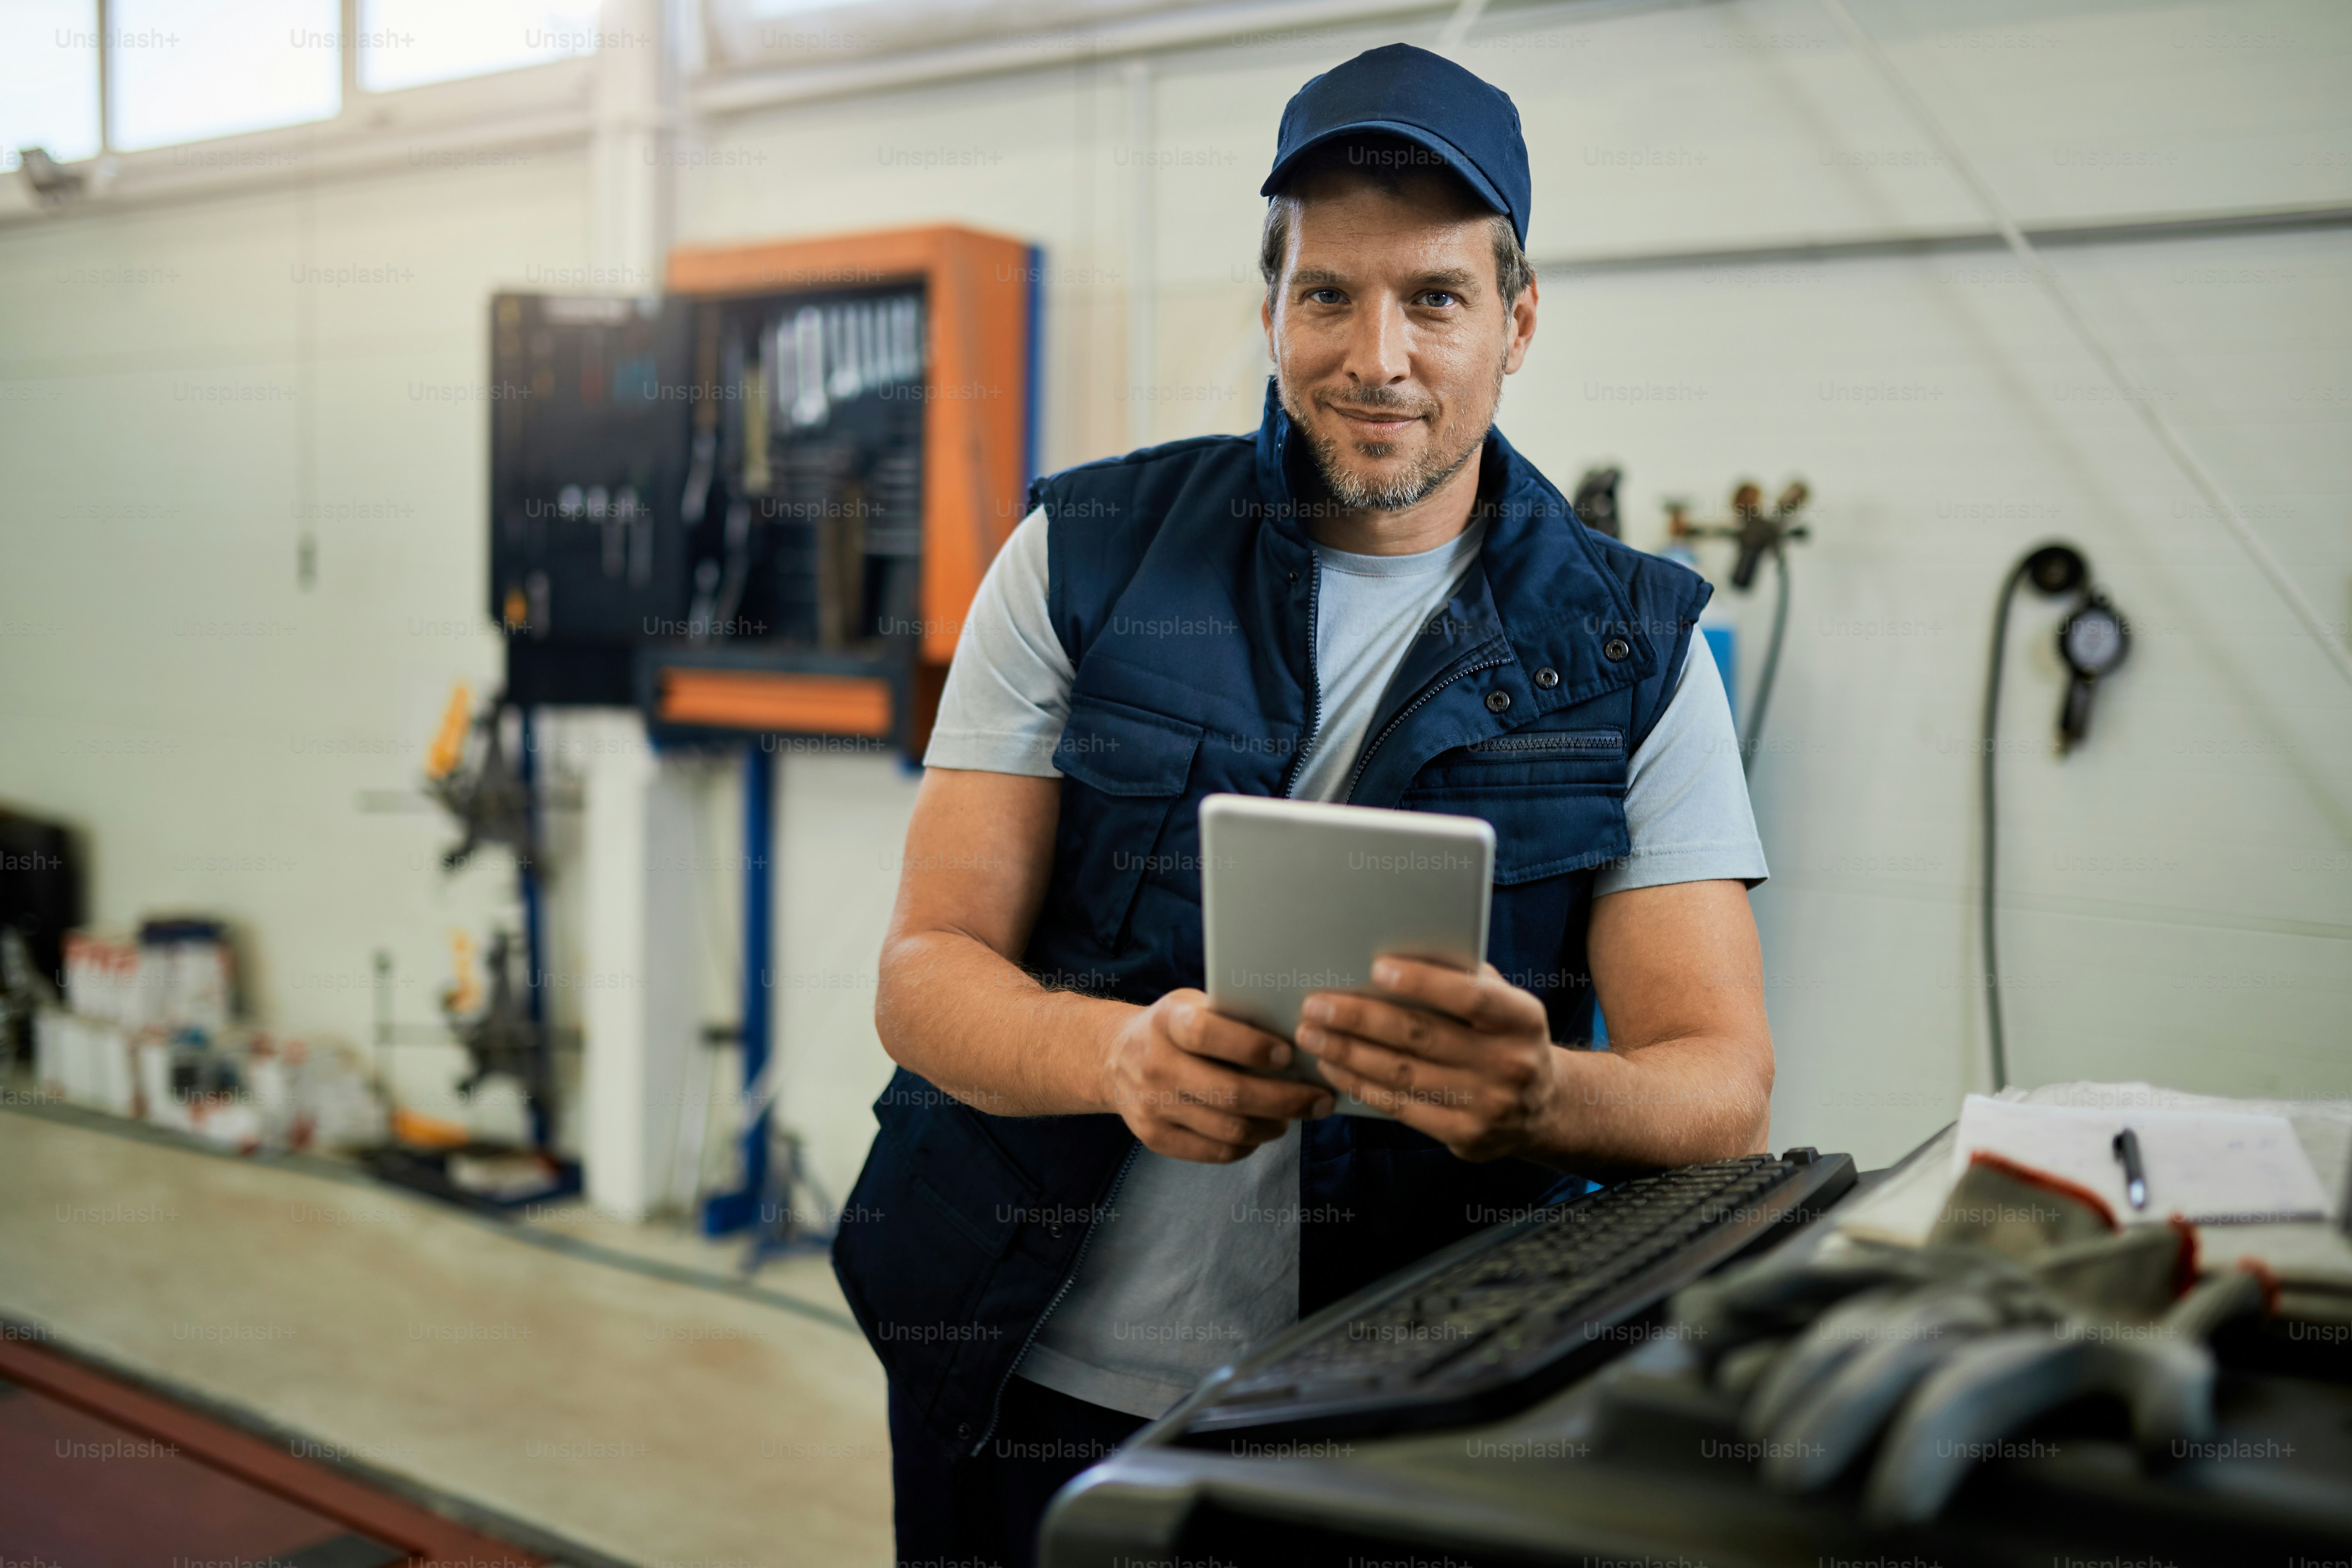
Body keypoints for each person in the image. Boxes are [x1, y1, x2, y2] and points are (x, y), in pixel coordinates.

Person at [834, 41, 1773, 1568]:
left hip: (1400, 1410)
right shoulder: (1086, 555)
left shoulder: (1633, 649)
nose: (1377, 356)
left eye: (1436, 299)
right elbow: (926, 970)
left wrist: (1543, 1099)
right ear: (1269, 305)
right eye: (1327, 294)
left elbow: (1720, 1082)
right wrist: (1121, 1057)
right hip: (1027, 1378)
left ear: (1517, 321)